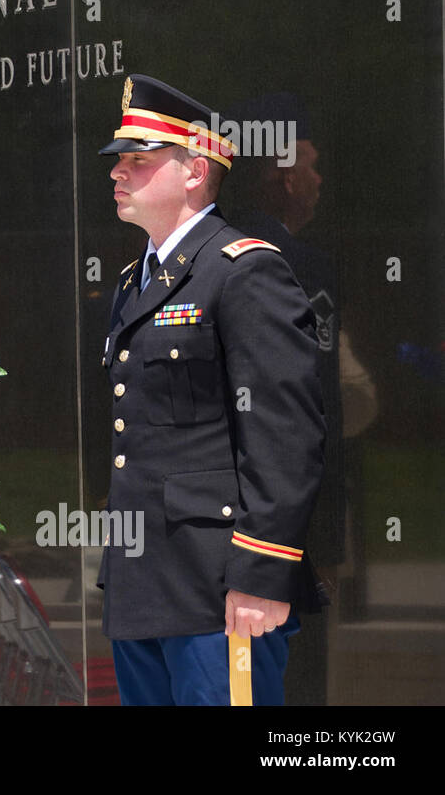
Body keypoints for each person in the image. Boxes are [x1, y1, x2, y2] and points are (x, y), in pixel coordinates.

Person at [97, 74, 326, 705]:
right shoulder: (133, 283)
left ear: (194, 171)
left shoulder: (245, 271)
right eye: (119, 162)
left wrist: (263, 572)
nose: (117, 173)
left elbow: (284, 434)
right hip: (144, 587)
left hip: (218, 588)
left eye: (137, 161)